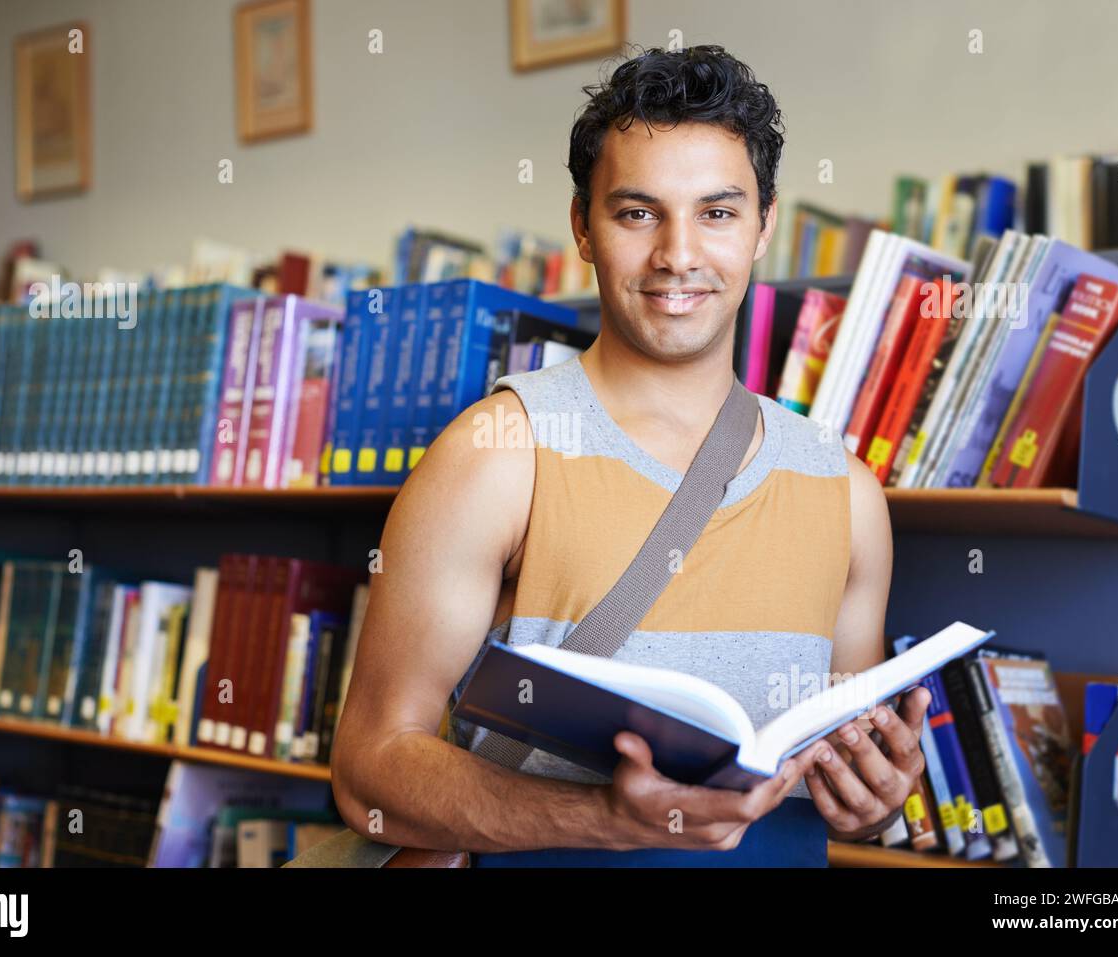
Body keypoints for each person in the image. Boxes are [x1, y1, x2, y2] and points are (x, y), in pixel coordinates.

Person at [331, 44, 929, 866]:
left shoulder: (847, 493)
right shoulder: (497, 457)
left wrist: (872, 797)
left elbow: (838, 774)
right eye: (638, 212)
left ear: (764, 227)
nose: (678, 255)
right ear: (583, 226)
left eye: (717, 212)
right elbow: (369, 774)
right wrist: (605, 817)